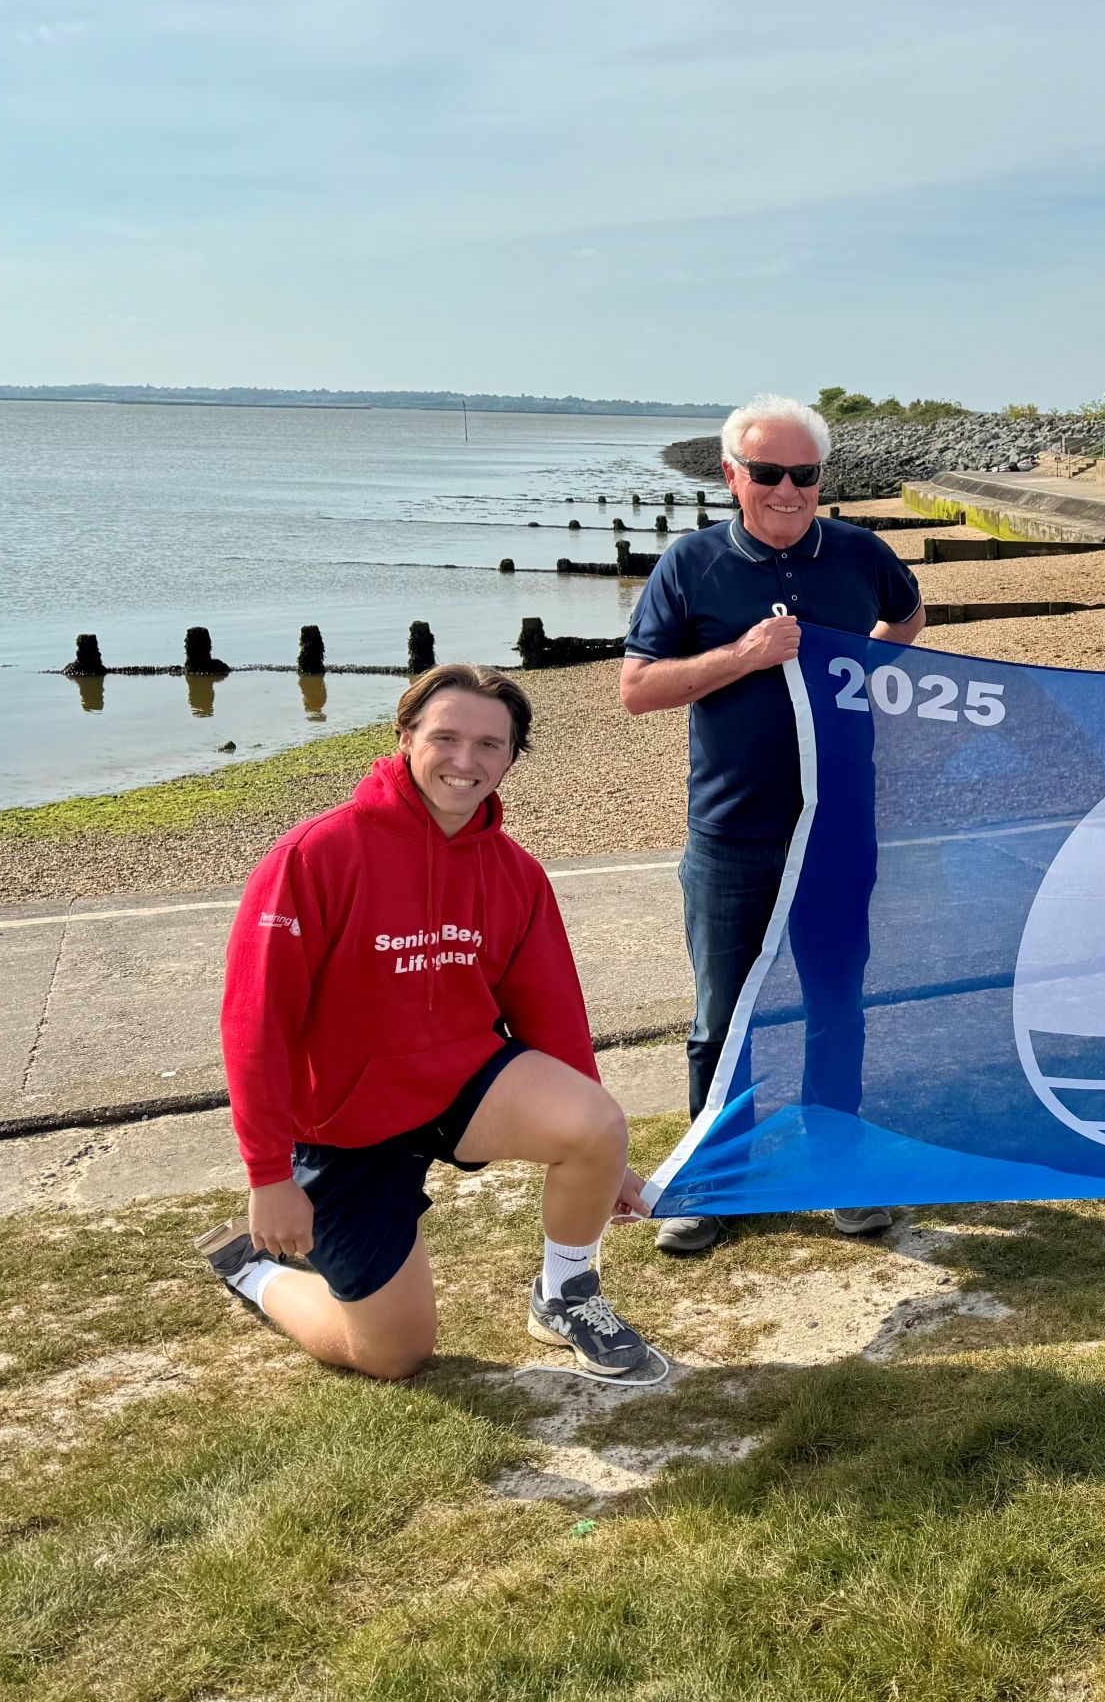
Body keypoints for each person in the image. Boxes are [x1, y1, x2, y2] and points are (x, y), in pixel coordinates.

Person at [195, 665, 657, 1379]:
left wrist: (608, 1157)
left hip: (457, 1084)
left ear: (512, 758)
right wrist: (268, 1176)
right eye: (445, 737)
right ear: (405, 736)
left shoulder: (515, 873)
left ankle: (565, 1294)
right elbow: (256, 1028)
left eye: (490, 744)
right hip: (345, 1124)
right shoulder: (314, 856)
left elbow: (554, 1018)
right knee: (394, 1354)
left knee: (595, 1123)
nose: (465, 761)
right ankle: (253, 1270)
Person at [619, 393, 926, 1255]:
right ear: (732, 476)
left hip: (837, 829)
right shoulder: (691, 564)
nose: (787, 489)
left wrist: (860, 663)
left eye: (804, 473)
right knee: (723, 1019)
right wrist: (744, 656)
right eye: (767, 472)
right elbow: (638, 689)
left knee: (837, 1003)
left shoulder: (860, 553)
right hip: (732, 832)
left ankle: (836, 1173)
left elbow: (908, 616)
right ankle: (715, 1184)